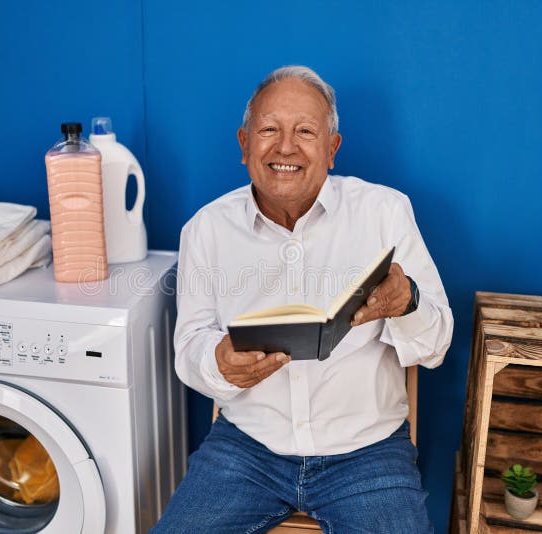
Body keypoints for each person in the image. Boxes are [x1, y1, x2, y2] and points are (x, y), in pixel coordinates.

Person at [152, 65, 453, 533]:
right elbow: (189, 349)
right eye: (269, 130)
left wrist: (407, 301)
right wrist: (219, 362)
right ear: (244, 144)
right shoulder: (206, 230)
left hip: (368, 452)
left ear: (332, 149)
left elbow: (436, 347)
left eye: (306, 132)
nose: (285, 147)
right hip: (246, 449)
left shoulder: (384, 212)